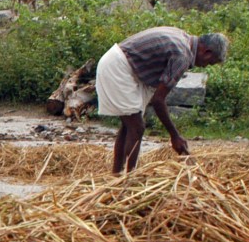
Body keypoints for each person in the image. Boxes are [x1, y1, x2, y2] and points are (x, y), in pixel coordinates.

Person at [96, 28, 228, 174]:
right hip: (119, 68)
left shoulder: (183, 37)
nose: (204, 66)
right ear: (206, 52)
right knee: (137, 126)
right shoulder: (182, 56)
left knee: (129, 125)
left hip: (117, 61)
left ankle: (116, 175)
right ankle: (130, 178)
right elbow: (158, 100)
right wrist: (174, 135)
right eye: (209, 62)